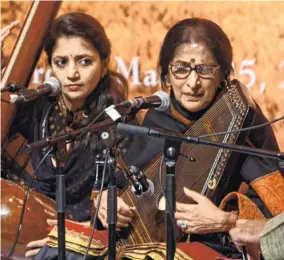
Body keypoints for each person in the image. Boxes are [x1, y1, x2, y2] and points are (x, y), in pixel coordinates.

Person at [103, 17, 284, 258]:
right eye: (180, 69)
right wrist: (107, 201)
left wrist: (226, 220)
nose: (192, 83)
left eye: (204, 69)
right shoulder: (156, 120)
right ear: (166, 76)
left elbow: (276, 204)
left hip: (219, 246)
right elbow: (126, 187)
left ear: (223, 74)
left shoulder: (243, 119)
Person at [1, 12, 131, 258]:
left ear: (104, 66)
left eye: (84, 62)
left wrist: (67, 239)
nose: (72, 74)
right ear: (49, 65)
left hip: (80, 249)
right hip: (15, 243)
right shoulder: (32, 110)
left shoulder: (119, 123)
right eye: (61, 62)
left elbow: (122, 217)